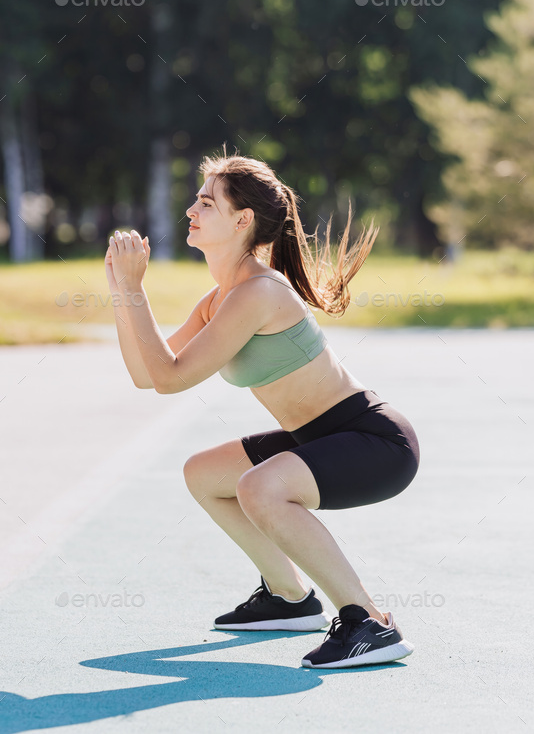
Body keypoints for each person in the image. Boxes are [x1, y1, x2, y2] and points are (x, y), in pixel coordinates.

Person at [105, 146, 420, 669]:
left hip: (375, 442)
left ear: (242, 220)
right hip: (319, 438)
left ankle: (369, 623)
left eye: (206, 203)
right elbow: (146, 375)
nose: (192, 210)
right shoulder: (219, 297)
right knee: (204, 473)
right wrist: (123, 291)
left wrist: (137, 290)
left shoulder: (258, 292)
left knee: (259, 487)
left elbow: (169, 376)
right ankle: (289, 598)